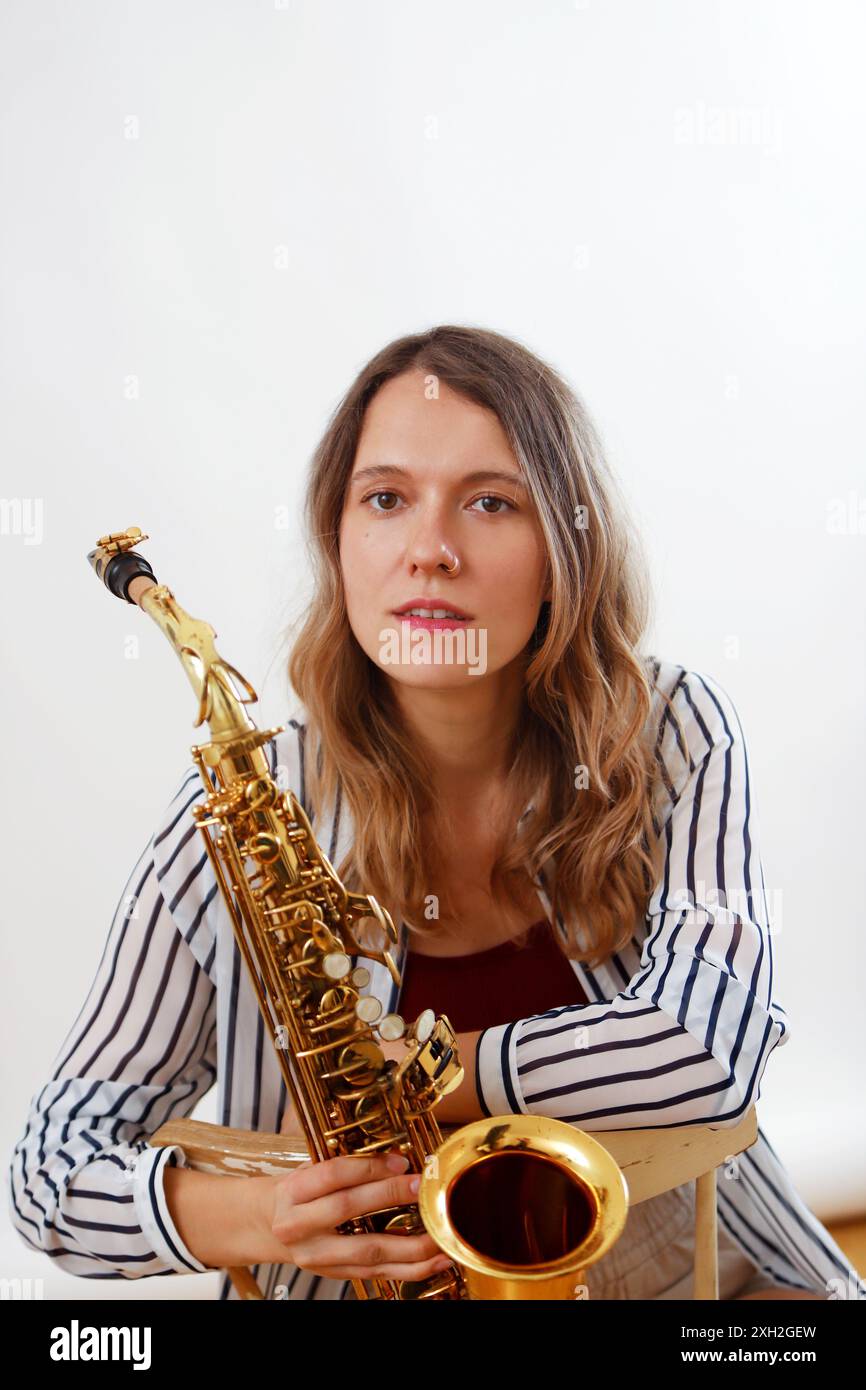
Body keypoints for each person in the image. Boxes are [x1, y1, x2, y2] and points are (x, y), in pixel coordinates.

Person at [8, 326, 862, 1301]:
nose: (428, 552)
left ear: (564, 544)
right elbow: (45, 1174)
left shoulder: (671, 730)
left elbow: (708, 1053)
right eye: (384, 499)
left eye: (489, 502)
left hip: (672, 1271)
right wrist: (262, 1211)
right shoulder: (239, 814)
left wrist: (416, 1073)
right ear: (337, 540)